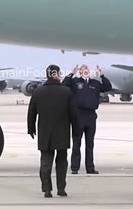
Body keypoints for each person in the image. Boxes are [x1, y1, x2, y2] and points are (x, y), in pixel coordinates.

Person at [27, 65, 80, 198]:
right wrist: (76, 130)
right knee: (61, 161)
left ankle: (47, 189)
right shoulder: (66, 91)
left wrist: (31, 128)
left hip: (45, 132)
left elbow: (31, 112)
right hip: (62, 131)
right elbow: (74, 113)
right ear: (56, 74)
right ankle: (61, 189)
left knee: (45, 161)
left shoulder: (38, 92)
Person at [62, 64, 112, 174]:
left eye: (87, 69)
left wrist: (102, 75)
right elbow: (64, 84)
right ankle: (75, 168)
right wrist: (71, 73)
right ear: (80, 71)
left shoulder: (95, 83)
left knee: (90, 144)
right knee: (76, 143)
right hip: (78, 116)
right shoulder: (75, 82)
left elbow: (108, 87)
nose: (86, 70)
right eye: (83, 69)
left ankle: (90, 168)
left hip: (90, 116)